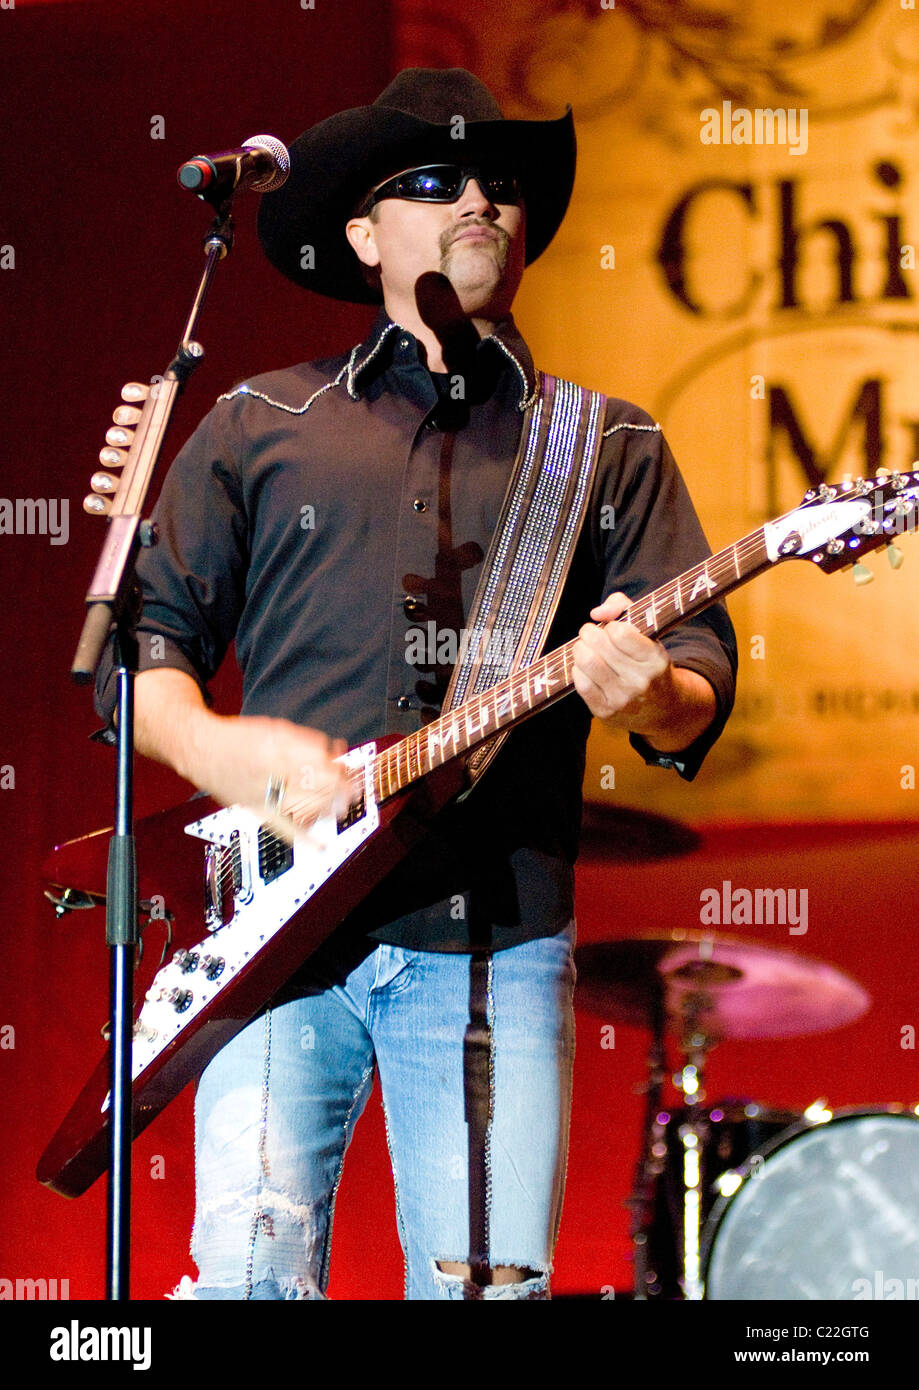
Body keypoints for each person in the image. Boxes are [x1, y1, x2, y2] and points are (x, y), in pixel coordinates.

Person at [96, 67, 736, 1300]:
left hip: (490, 939)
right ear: (359, 234)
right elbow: (142, 648)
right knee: (245, 1274)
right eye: (436, 181)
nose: (480, 201)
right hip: (273, 935)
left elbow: (694, 683)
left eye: (501, 185)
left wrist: (645, 690)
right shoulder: (253, 422)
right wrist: (224, 753)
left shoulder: (605, 442)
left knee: (483, 1291)